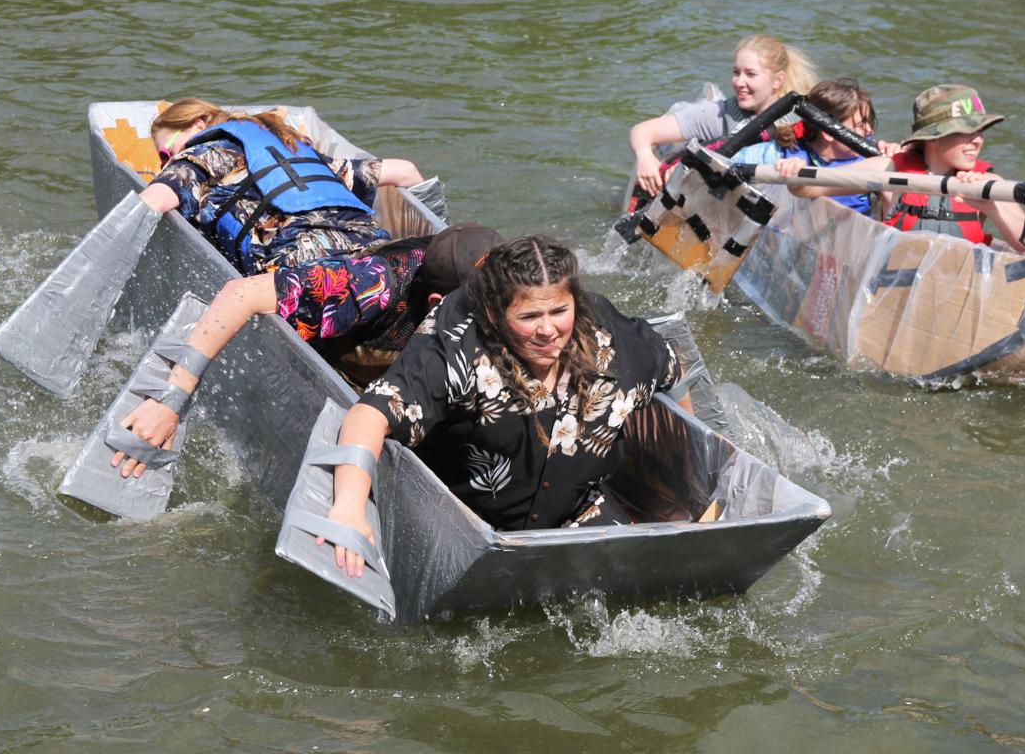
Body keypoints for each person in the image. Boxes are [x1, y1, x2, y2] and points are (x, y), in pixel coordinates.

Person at [318, 236, 695, 578]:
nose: (548, 331)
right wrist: (349, 508)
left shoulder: (612, 346)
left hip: (576, 510)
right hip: (465, 518)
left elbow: (673, 365)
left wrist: (684, 481)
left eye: (559, 312)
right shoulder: (458, 354)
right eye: (530, 318)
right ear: (496, 317)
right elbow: (369, 414)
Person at [110, 223, 504, 479]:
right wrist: (171, 398)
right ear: (439, 302)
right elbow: (240, 292)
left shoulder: (511, 281)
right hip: (304, 254)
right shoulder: (372, 287)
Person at [140, 98, 425, 274]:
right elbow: (407, 172)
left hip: (308, 278)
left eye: (165, 152)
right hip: (380, 259)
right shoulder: (295, 148)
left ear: (197, 124)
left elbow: (151, 204)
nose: (166, 164)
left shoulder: (200, 155)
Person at [773, 84, 1025, 251]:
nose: (977, 140)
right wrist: (797, 172)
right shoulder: (890, 170)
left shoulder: (987, 181)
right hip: (894, 292)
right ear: (934, 138)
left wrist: (992, 208)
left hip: (958, 294)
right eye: (966, 132)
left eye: (980, 131)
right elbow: (809, 190)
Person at [628, 35, 817, 197]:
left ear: (778, 80)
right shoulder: (723, 113)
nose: (739, 82)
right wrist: (645, 157)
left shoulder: (803, 121)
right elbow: (643, 130)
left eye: (750, 74)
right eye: (736, 72)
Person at [731, 78, 895, 216]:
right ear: (829, 132)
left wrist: (898, 159)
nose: (870, 130)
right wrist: (787, 171)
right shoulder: (777, 155)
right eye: (861, 125)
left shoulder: (875, 161)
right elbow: (721, 165)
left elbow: (895, 215)